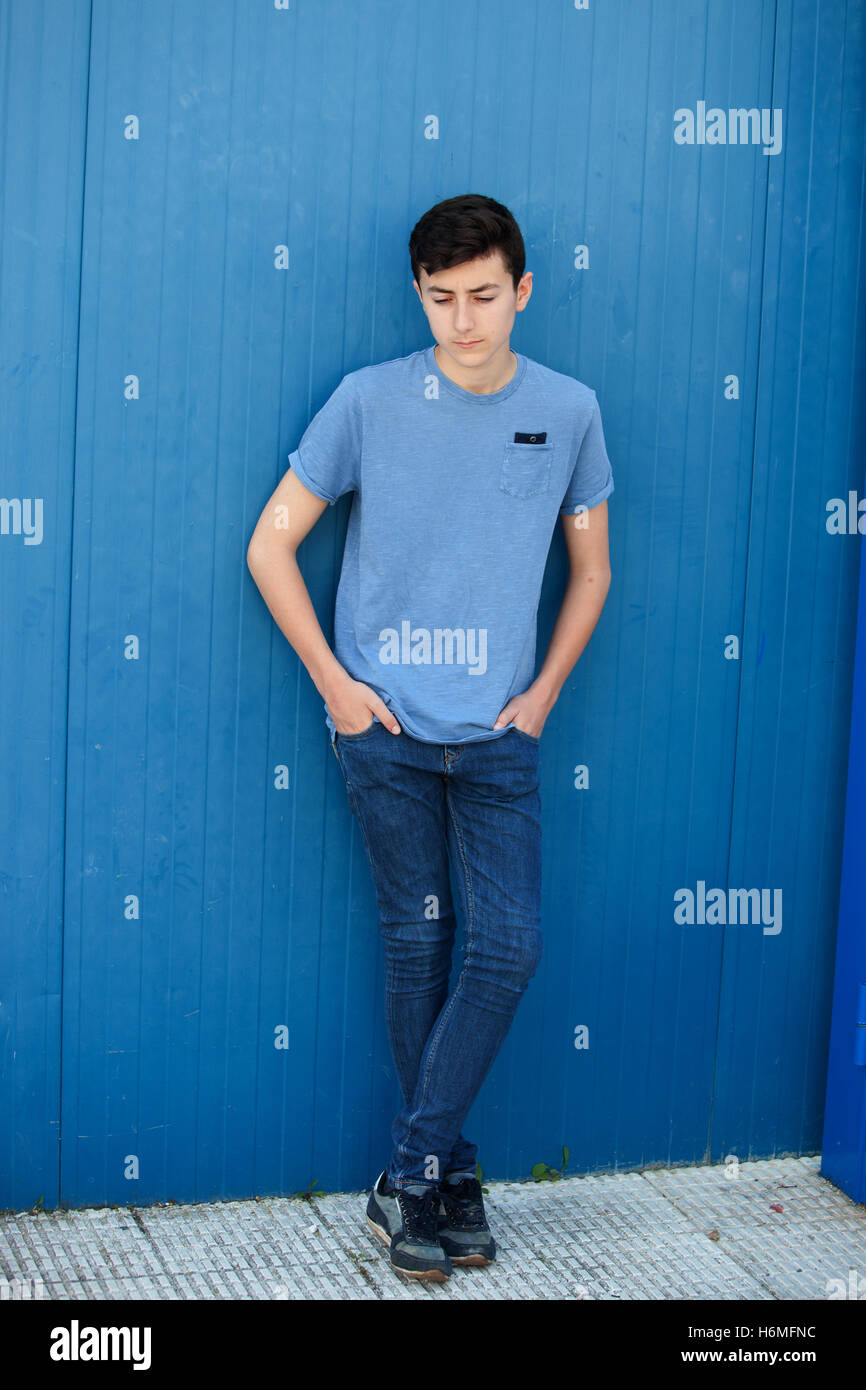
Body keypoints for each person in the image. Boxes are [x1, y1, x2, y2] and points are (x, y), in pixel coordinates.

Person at [246, 193, 614, 1283]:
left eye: (484, 297)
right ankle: (443, 1177)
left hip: (499, 737)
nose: (464, 321)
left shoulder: (569, 408)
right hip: (385, 735)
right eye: (443, 299)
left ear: (523, 289)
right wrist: (337, 686)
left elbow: (589, 570)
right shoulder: (366, 402)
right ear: (418, 292)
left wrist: (543, 691)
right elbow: (270, 546)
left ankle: (409, 1170)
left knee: (506, 949)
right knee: (418, 946)